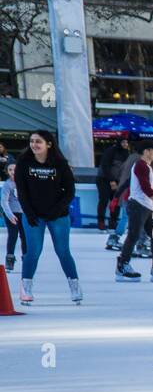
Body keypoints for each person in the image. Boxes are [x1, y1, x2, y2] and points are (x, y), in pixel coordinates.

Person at [12, 130, 81, 305]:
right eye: (32, 141)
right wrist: (29, 213)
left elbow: (70, 191)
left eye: (38, 141)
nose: (34, 144)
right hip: (33, 216)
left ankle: (75, 286)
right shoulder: (24, 163)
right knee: (32, 252)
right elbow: (22, 191)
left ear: (49, 144)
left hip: (58, 215)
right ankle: (26, 288)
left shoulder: (60, 164)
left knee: (63, 251)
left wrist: (57, 210)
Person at [114, 140, 153, 285]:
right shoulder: (141, 165)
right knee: (133, 235)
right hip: (138, 205)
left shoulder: (146, 166)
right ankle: (122, 265)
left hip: (146, 206)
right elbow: (146, 188)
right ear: (146, 151)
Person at [95, 137, 130, 230]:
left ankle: (113, 221)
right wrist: (111, 180)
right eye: (123, 142)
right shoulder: (111, 151)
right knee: (104, 199)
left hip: (118, 181)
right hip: (104, 179)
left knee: (116, 201)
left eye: (126, 142)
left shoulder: (126, 154)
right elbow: (105, 166)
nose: (126, 144)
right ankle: (101, 221)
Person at [3, 161, 26, 273]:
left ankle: (26, 259)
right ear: (7, 172)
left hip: (24, 214)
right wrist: (10, 215)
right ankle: (10, 259)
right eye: (10, 170)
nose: (13, 172)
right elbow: (4, 202)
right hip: (11, 214)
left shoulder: (25, 182)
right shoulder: (8, 185)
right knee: (13, 235)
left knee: (25, 236)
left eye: (15, 169)